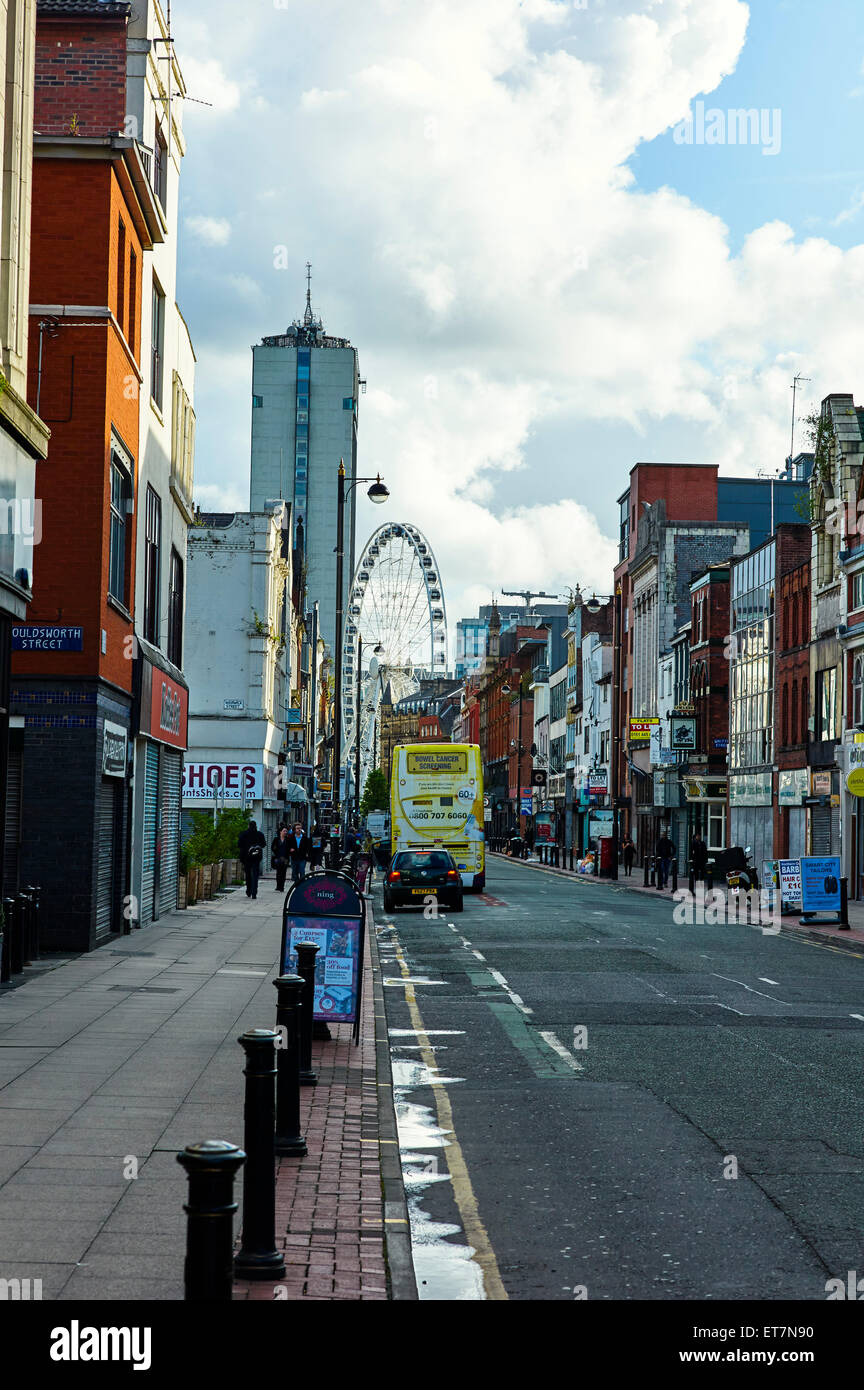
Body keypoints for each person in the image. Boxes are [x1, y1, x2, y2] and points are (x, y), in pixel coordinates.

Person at [238, 819, 266, 899]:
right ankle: (254, 892)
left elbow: (239, 845)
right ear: (256, 826)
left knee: (248, 874)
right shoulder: (259, 834)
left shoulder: (243, 834)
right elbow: (263, 844)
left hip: (246, 858)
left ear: (248, 826)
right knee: (255, 875)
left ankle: (248, 890)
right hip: (256, 857)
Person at [271, 824, 290, 892]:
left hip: (285, 858)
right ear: (280, 832)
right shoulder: (276, 839)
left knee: (283, 872)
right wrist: (276, 851)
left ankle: (282, 887)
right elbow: (272, 847)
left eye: (286, 831)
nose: (285, 832)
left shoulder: (288, 839)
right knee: (278, 872)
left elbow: (289, 848)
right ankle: (278, 886)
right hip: (277, 858)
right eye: (284, 831)